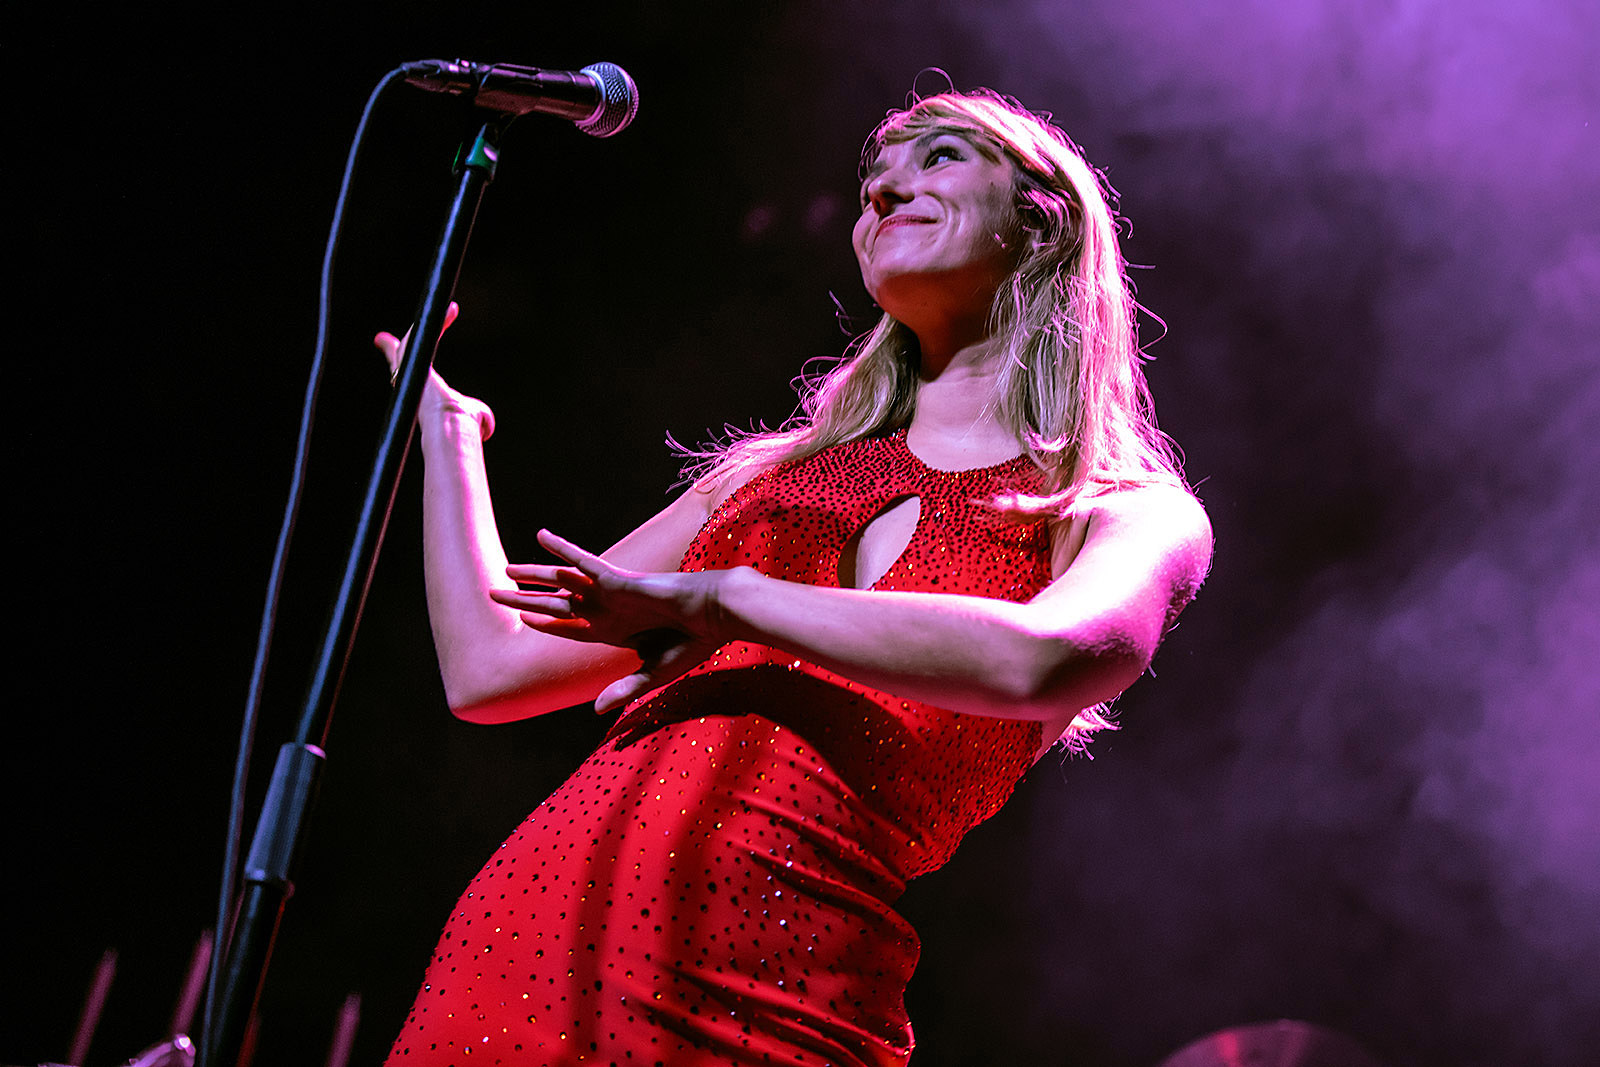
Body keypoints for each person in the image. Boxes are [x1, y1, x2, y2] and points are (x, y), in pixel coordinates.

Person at [377, 87, 1212, 1067]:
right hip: (532, 937)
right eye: (872, 183)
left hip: (780, 982)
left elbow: (1046, 661)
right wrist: (445, 441)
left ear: (1042, 217)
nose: (884, 186)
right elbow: (489, 668)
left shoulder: (1125, 512)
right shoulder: (771, 483)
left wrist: (730, 598)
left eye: (936, 157)